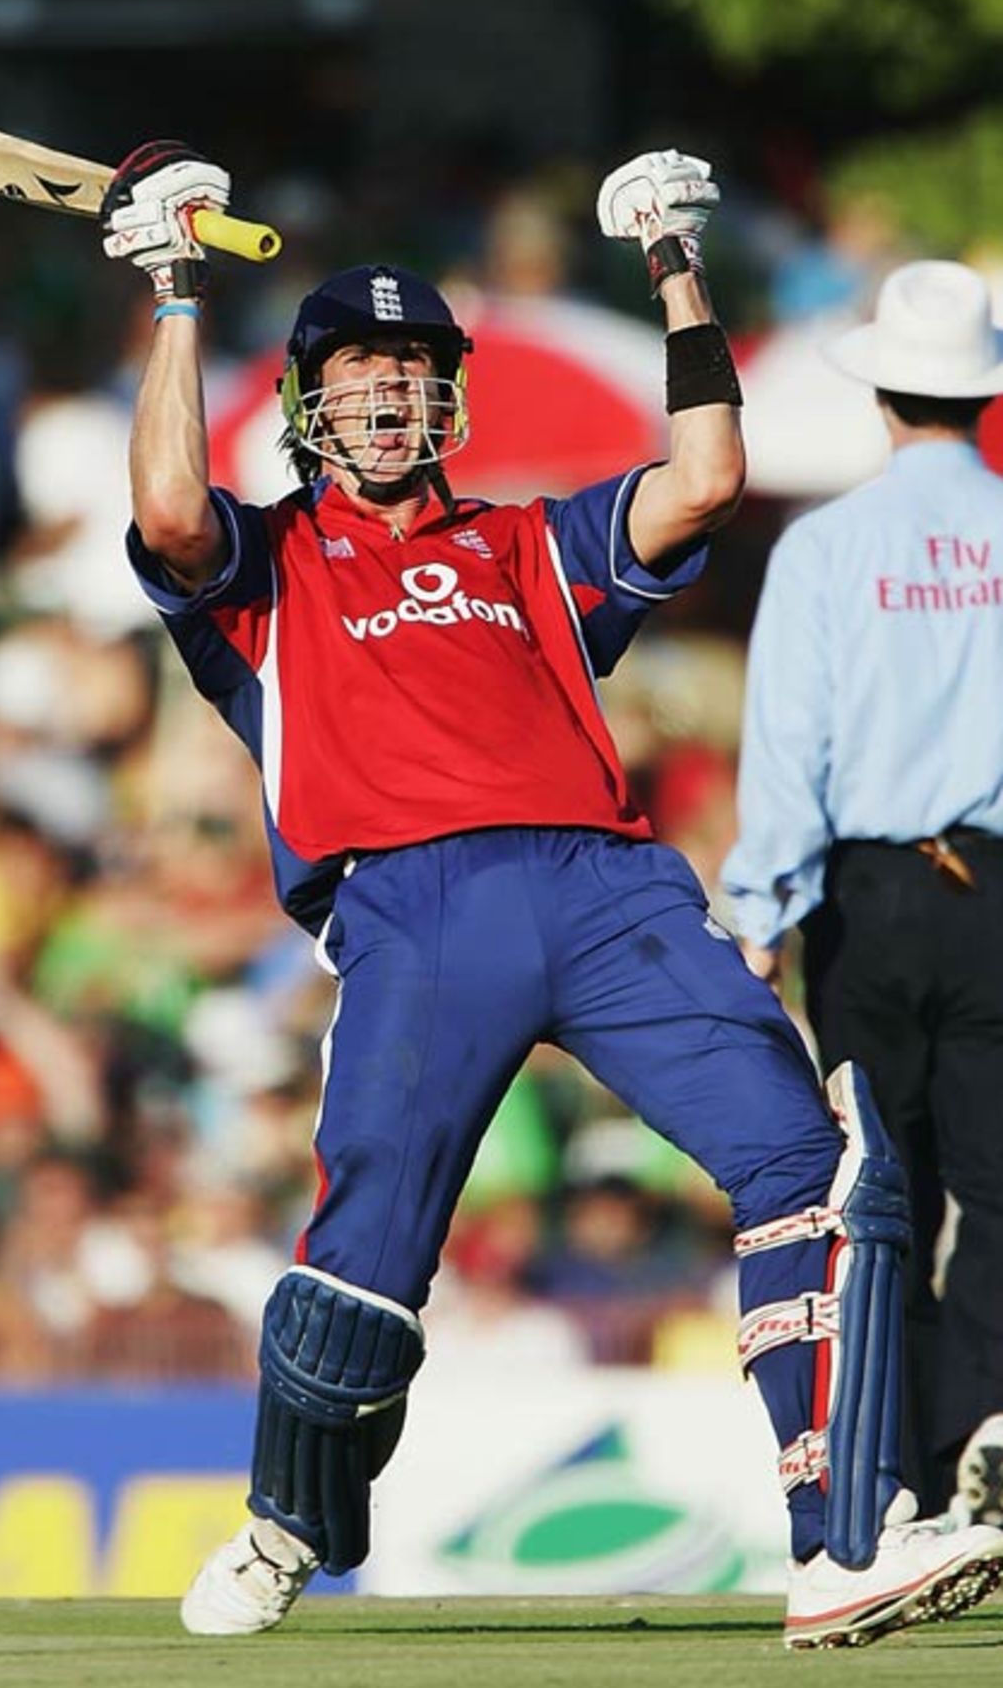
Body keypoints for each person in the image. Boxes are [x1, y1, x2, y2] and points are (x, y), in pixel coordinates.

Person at [102, 144, 1003, 1648]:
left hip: (608, 887)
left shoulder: (529, 543)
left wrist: (672, 259)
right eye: (358, 374)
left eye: (410, 371)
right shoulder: (267, 566)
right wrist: (176, 288)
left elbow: (708, 475)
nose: (388, 396)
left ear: (445, 394)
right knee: (367, 1272)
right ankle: (287, 1519)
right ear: (311, 404)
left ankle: (842, 1537)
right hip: (413, 906)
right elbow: (170, 510)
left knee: (818, 1157)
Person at [724, 258, 1003, 1528]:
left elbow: (792, 745)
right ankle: (985, 1432)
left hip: (869, 894)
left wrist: (765, 911)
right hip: (997, 889)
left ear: (886, 392)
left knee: (882, 1194)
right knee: (1000, 1190)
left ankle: (898, 1472)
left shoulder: (828, 546)